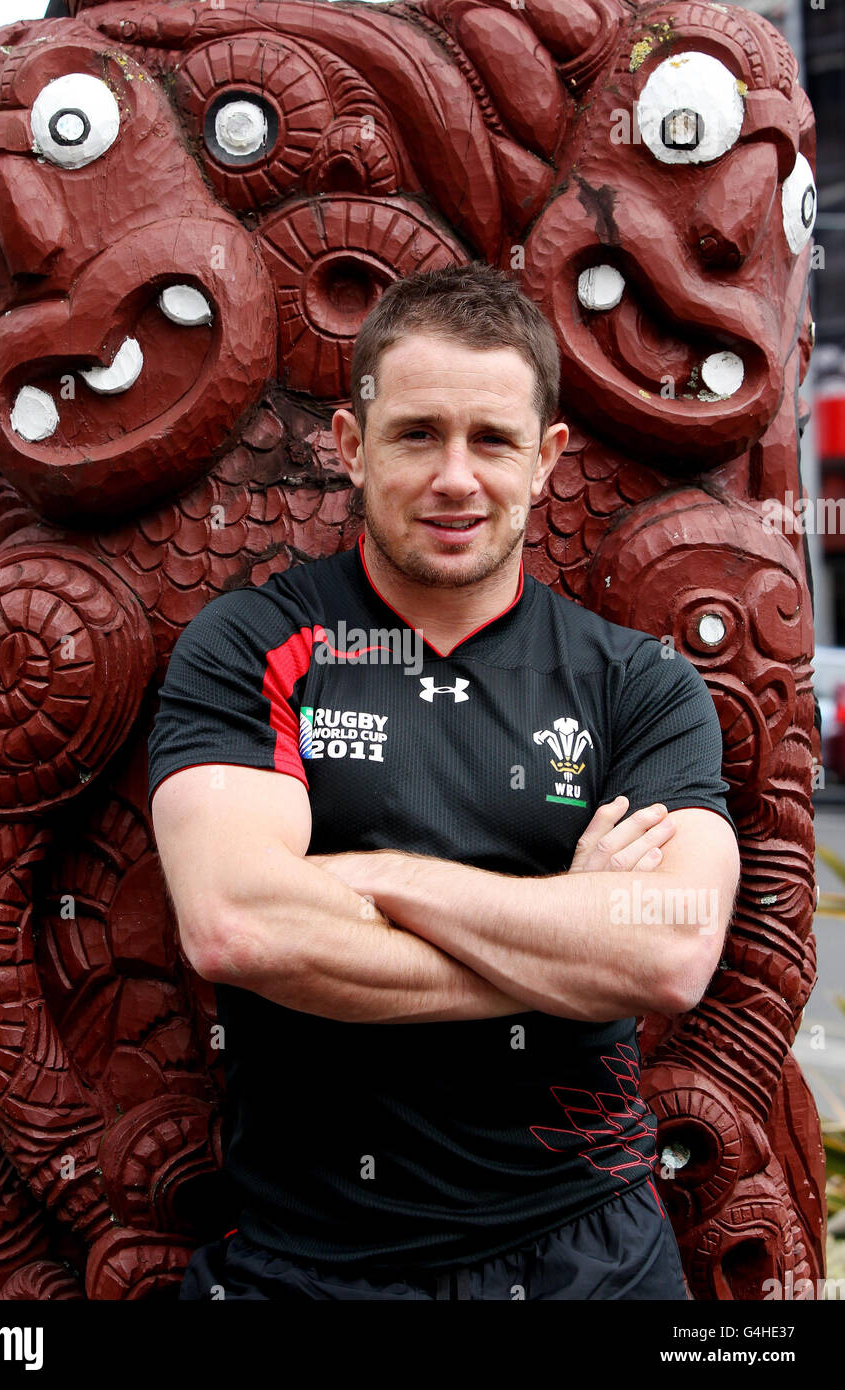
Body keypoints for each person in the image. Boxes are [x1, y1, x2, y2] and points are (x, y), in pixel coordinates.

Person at [148, 261, 741, 1300]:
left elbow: (665, 947)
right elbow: (241, 926)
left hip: (589, 1255)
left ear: (546, 457)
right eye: (417, 433)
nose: (454, 477)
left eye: (492, 439)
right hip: (313, 1265)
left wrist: (369, 876)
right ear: (351, 446)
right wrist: (565, 932)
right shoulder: (252, 644)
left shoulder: (636, 686)